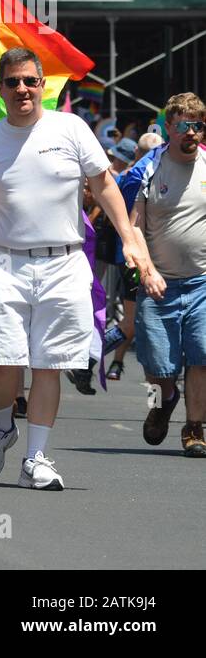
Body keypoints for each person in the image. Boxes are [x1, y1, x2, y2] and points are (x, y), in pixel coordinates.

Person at [0, 47, 161, 491]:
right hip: (6, 264)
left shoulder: (71, 128)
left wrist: (133, 241)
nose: (22, 89)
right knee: (3, 364)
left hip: (64, 264)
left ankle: (36, 458)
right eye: (12, 82)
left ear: (43, 86)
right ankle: (2, 426)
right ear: (0, 90)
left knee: (48, 365)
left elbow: (104, 185)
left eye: (30, 81)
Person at [130, 94, 206, 458]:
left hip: (202, 283)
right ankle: (162, 402)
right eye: (183, 125)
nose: (191, 132)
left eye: (197, 125)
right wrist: (146, 270)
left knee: (202, 356)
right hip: (158, 284)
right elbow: (133, 228)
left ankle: (194, 428)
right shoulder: (148, 169)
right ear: (169, 129)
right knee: (157, 366)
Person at [104, 131, 165, 380]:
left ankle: (115, 362)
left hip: (129, 254)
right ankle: (92, 357)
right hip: (142, 255)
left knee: (134, 318)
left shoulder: (130, 176)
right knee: (134, 319)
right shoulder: (151, 174)